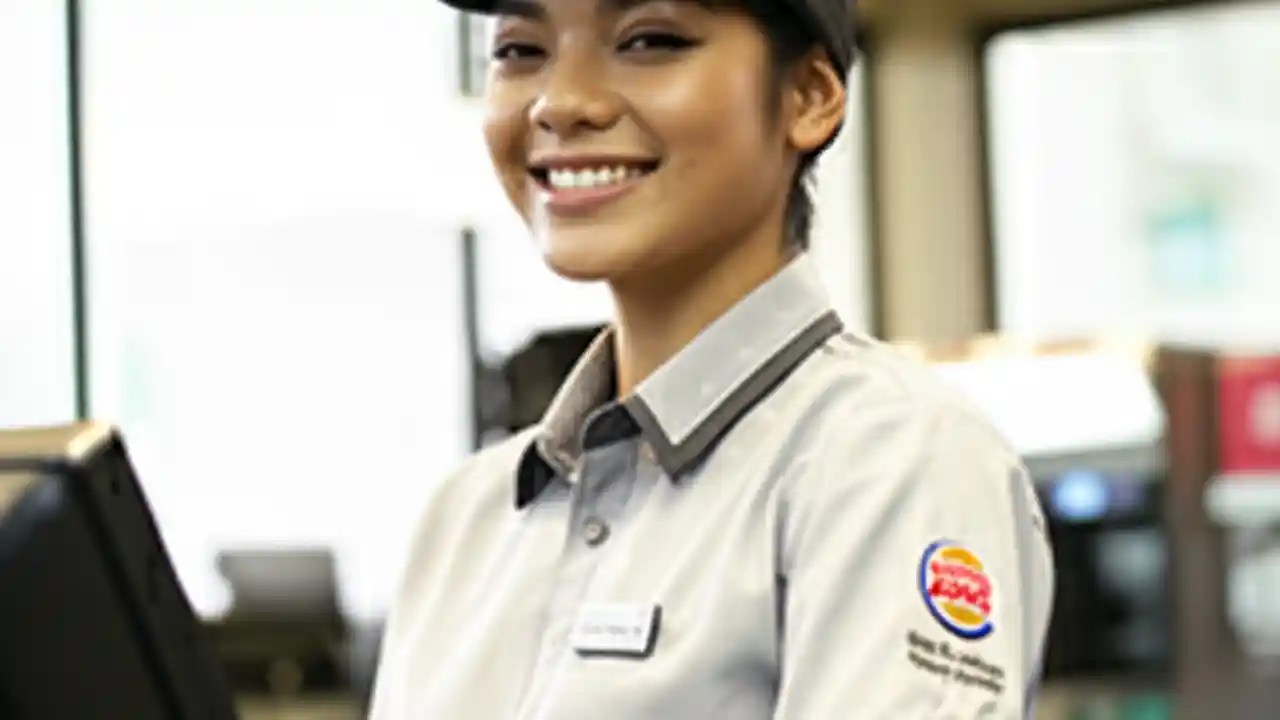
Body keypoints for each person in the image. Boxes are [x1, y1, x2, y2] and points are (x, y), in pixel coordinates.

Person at [370, 0, 1054, 716]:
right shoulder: (465, 521)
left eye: (649, 40)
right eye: (519, 50)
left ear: (809, 97)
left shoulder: (891, 459)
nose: (560, 102)